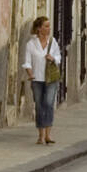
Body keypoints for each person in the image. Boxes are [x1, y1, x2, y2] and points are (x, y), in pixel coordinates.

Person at [22, 16, 62, 145]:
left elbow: (59, 57)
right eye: (46, 26)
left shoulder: (53, 42)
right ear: (39, 28)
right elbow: (27, 62)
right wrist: (30, 74)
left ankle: (48, 135)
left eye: (49, 26)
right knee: (39, 106)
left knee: (48, 104)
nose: (49, 28)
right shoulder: (31, 44)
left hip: (51, 79)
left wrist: (53, 58)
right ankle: (41, 135)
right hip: (37, 79)